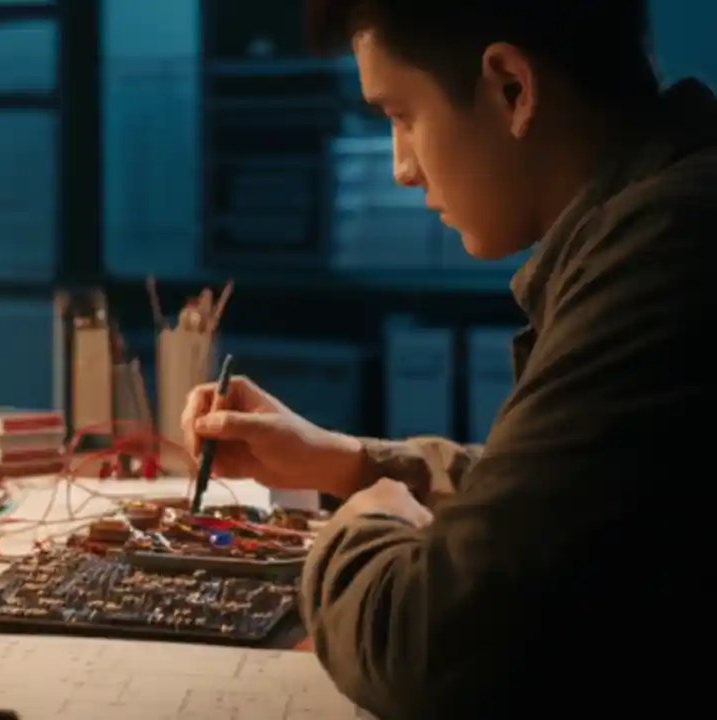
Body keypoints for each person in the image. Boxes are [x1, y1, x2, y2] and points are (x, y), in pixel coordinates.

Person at [181, 1, 714, 718]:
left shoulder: (670, 252)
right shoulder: (659, 214)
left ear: (512, 89)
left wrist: (363, 523)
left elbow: (424, 648)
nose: (401, 168)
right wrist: (345, 463)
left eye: (401, 115)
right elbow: (556, 508)